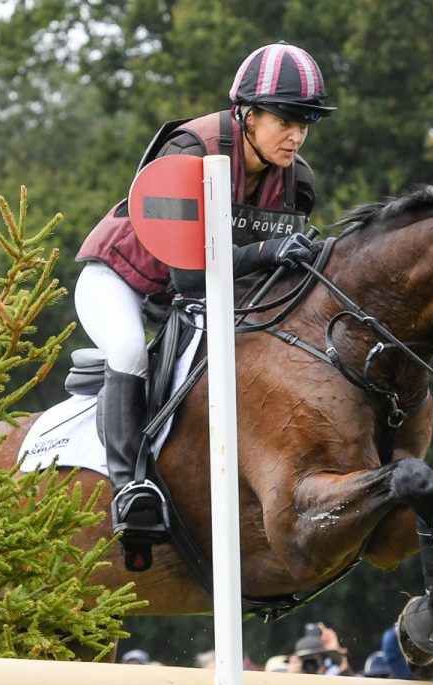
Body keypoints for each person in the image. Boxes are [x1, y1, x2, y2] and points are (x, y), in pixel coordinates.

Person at [74, 42, 335, 541]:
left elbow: (271, 280)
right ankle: (130, 488)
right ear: (248, 114)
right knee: (129, 349)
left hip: (199, 299)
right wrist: (268, 253)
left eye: (306, 122)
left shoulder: (297, 180)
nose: (297, 136)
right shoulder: (190, 150)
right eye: (286, 120)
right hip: (121, 280)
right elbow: (190, 279)